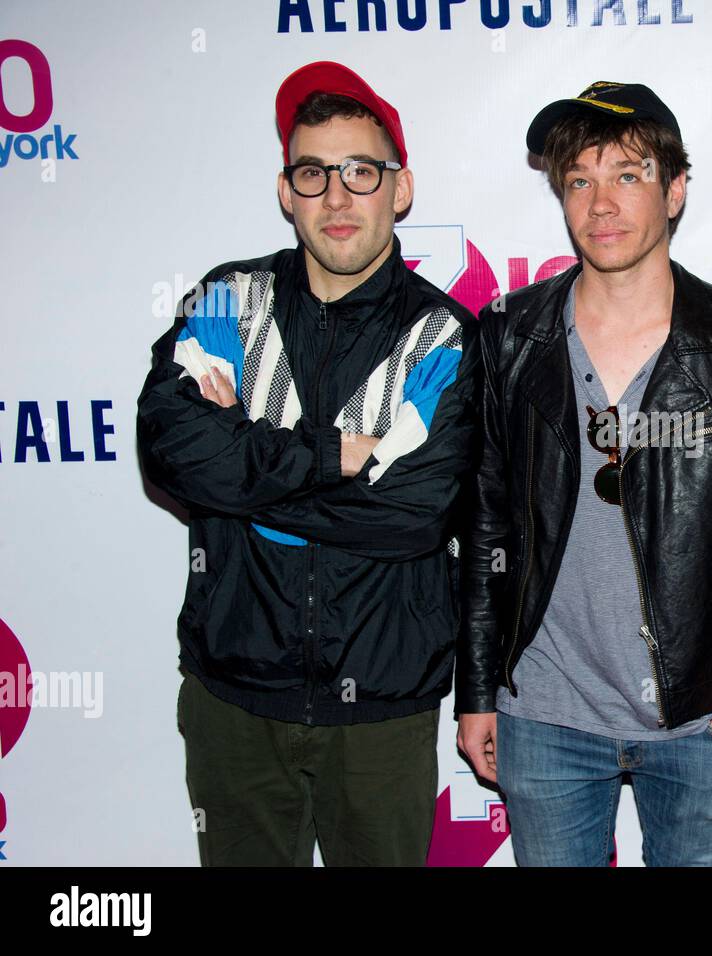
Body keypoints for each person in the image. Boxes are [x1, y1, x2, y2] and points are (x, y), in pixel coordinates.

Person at [137, 61, 479, 866]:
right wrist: (337, 455)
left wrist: (242, 467)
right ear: (285, 190)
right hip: (234, 697)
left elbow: (417, 514)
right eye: (313, 172)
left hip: (382, 709)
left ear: (401, 189)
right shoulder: (228, 298)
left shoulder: (447, 337)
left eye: (361, 172)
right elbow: (170, 449)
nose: (336, 196)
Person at [455, 81, 712, 867]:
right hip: (543, 714)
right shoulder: (510, 336)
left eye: (629, 175)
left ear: (675, 191)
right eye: (580, 180)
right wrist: (476, 693)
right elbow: (485, 528)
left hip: (699, 716)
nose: (601, 203)